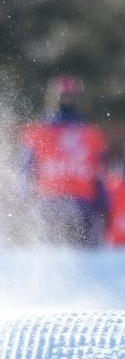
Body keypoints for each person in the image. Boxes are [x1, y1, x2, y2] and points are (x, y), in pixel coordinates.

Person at [19, 74, 109, 247]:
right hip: (71, 208)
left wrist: (25, 202)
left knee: (51, 258)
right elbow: (100, 177)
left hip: (58, 208)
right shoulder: (90, 135)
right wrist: (104, 206)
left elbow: (24, 173)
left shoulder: (38, 133)